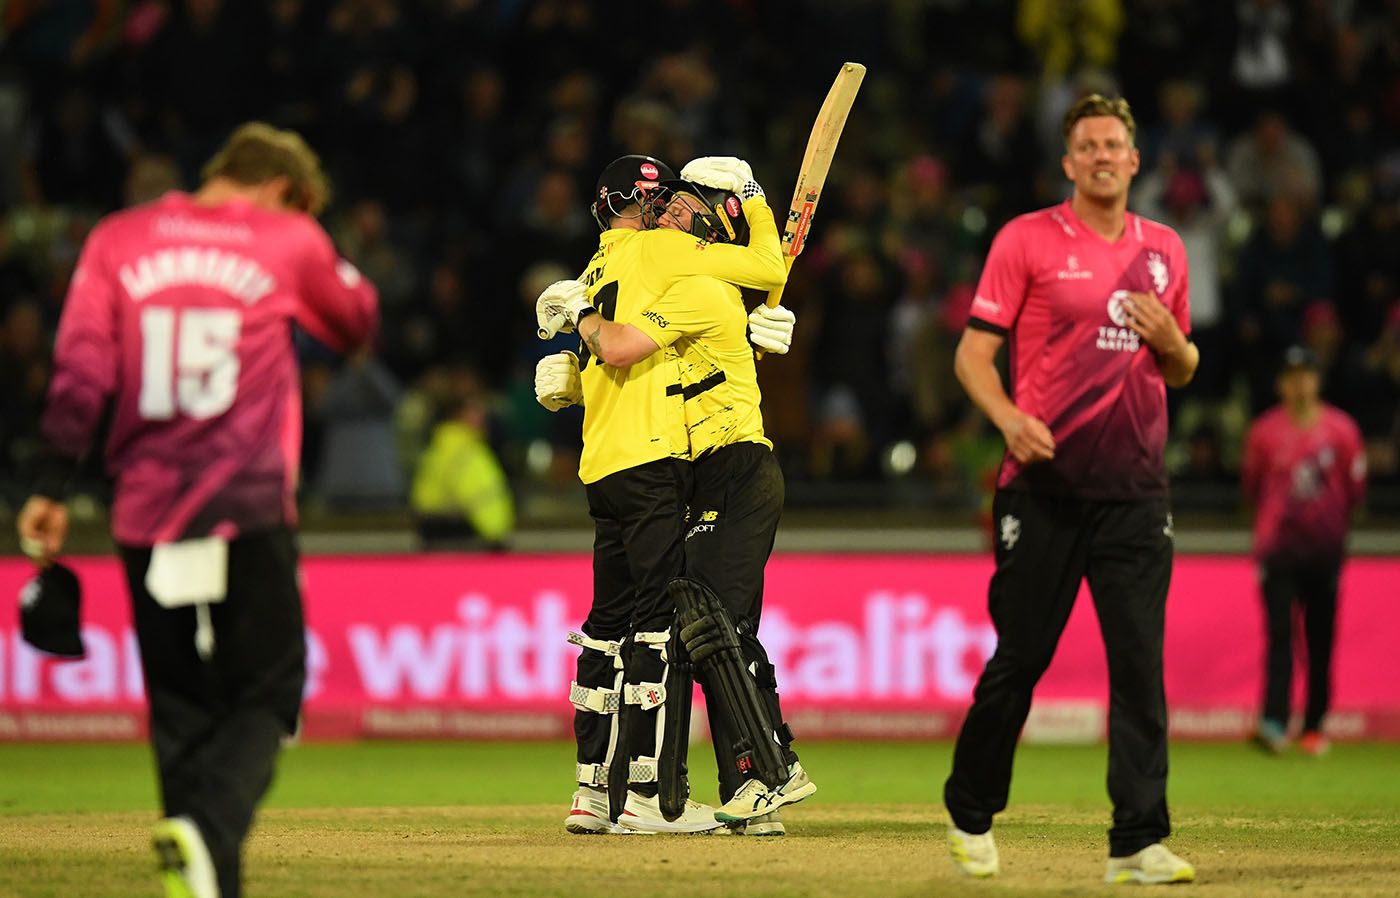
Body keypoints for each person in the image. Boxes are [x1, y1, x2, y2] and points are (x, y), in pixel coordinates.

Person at [15, 122, 378, 898]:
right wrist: (319, 245)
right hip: (244, 504)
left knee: (180, 705)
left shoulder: (118, 239)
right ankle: (210, 831)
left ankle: (203, 869)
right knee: (271, 694)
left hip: (144, 508)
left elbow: (81, 373)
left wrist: (49, 484)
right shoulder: (285, 238)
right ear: (286, 190)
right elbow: (356, 324)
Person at [942, 94, 1198, 885]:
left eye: (1113, 144)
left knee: (1139, 669)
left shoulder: (1165, 250)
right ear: (1068, 162)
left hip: (1135, 493)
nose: (1100, 155)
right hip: (1042, 488)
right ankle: (971, 809)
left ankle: (1138, 841)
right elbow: (972, 358)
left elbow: (1184, 368)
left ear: (1134, 158)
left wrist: (1171, 342)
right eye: (1086, 145)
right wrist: (1008, 419)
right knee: (1021, 658)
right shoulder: (1027, 238)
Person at [541, 171, 815, 835]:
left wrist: (752, 203)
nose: (669, 216)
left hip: (738, 468)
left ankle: (763, 775)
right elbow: (641, 369)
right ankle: (748, 787)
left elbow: (629, 340)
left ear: (707, 233)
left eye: (684, 211)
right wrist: (579, 384)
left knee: (709, 622)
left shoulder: (696, 285)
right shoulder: (670, 289)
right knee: (703, 626)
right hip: (695, 474)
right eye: (665, 206)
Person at [1241, 346, 1366, 757]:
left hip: (1324, 553)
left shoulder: (1341, 430)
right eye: (1292, 376)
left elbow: (1353, 490)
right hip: (1278, 553)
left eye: (1306, 375)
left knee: (1319, 642)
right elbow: (1253, 489)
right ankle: (1274, 722)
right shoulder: (1264, 432)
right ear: (1281, 383)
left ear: (1317, 380)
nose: (1299, 383)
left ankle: (1314, 726)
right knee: (1279, 640)